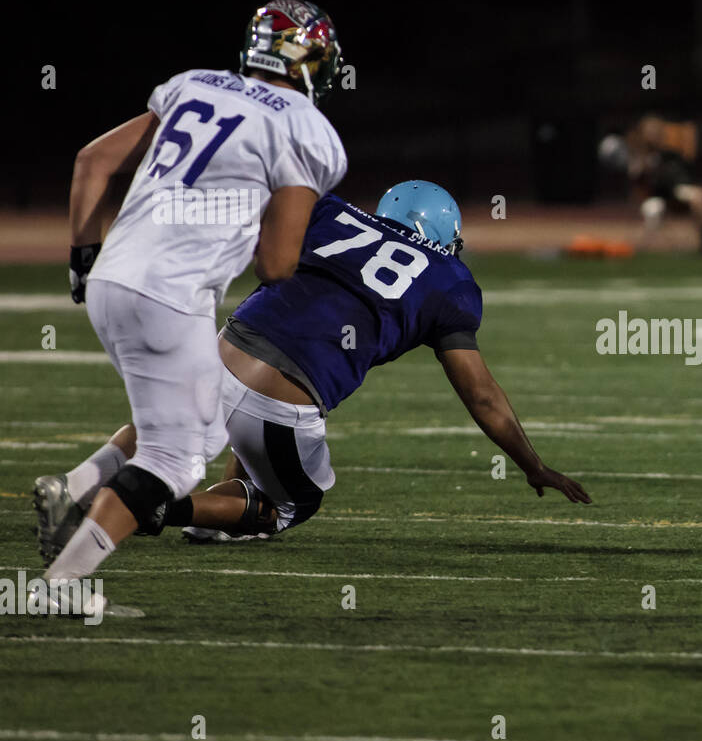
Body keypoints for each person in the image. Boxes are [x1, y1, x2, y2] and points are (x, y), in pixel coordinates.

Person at [43, 182, 591, 552]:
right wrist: (532, 464)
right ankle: (157, 506)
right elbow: (483, 397)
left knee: (168, 428)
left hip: (220, 349)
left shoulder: (331, 213)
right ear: (442, 237)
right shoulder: (449, 282)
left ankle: (74, 485)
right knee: (288, 505)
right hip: (282, 398)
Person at [32, 0, 348, 616]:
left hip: (113, 279)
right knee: (175, 462)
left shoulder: (194, 84)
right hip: (170, 295)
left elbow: (91, 162)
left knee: (206, 424)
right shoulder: (304, 127)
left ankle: (72, 491)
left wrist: (81, 254)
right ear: (310, 60)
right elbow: (277, 266)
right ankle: (58, 588)